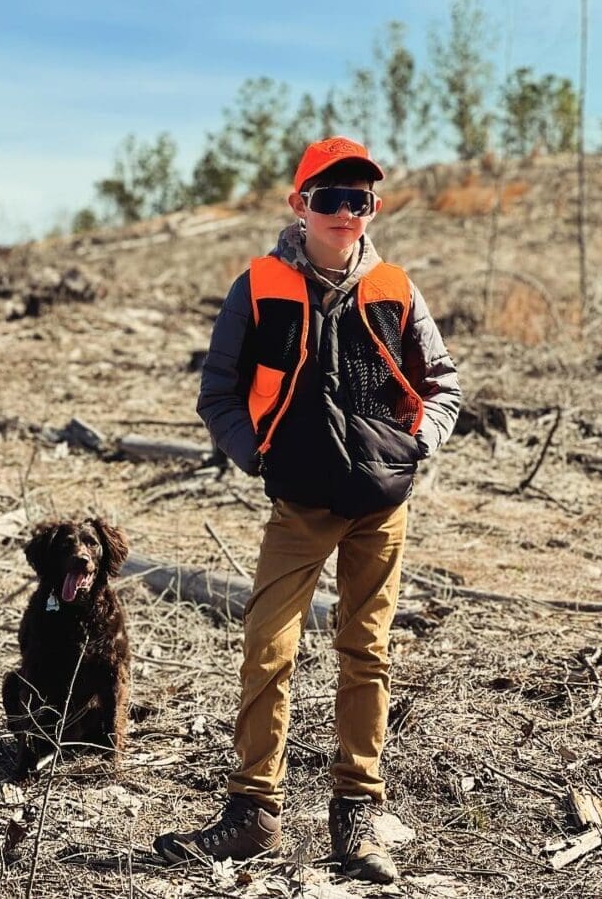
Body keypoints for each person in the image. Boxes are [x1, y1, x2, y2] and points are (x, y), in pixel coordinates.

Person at [154, 137, 461, 884]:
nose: (347, 212)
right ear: (300, 204)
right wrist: (256, 455)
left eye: (361, 200)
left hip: (380, 505)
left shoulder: (394, 287)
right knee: (269, 647)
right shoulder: (257, 287)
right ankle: (253, 812)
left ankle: (357, 812)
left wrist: (413, 445)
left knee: (368, 652)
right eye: (331, 198)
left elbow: (444, 384)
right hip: (299, 506)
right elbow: (218, 392)